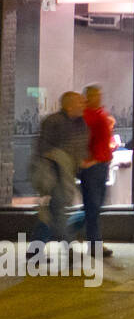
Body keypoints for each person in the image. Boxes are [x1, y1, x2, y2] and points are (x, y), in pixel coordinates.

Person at [29, 91, 88, 246]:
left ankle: (35, 249)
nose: (83, 104)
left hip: (67, 174)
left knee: (53, 213)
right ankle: (68, 247)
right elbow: (43, 148)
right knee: (58, 212)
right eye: (79, 102)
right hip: (55, 175)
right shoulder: (54, 121)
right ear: (69, 106)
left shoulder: (79, 123)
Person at [79, 84, 115, 258]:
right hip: (94, 167)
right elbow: (83, 140)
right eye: (95, 95)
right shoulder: (87, 116)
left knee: (95, 206)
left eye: (99, 94)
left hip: (101, 164)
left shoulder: (100, 114)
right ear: (87, 97)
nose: (99, 97)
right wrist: (89, 161)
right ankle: (94, 245)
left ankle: (92, 243)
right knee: (93, 207)